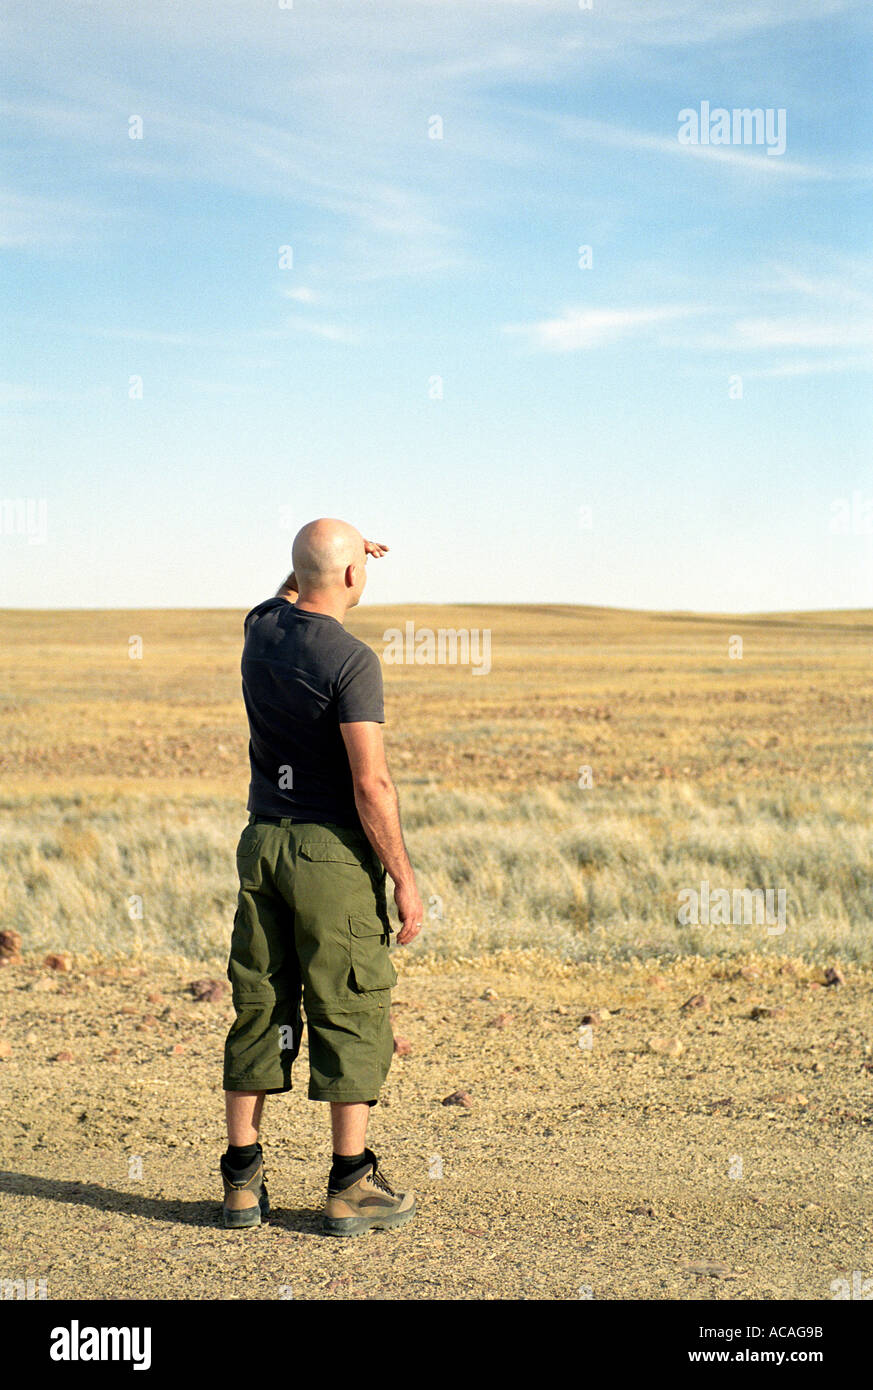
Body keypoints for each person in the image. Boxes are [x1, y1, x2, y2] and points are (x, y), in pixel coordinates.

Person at [220, 518, 424, 1236]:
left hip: (261, 845)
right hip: (328, 855)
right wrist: (402, 875)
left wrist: (322, 557)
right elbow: (371, 784)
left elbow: (287, 590)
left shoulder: (261, 627)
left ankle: (241, 1180)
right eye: (357, 565)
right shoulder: (351, 658)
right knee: (349, 1005)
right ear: (349, 577)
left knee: (262, 1004)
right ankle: (350, 1185)